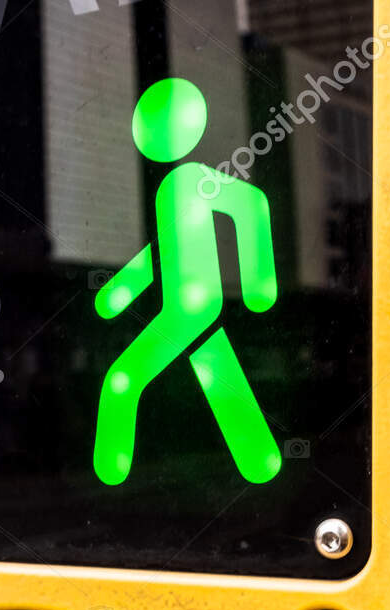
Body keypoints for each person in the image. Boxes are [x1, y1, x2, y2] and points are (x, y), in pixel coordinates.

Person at [93, 78, 283, 487]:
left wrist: (257, 282)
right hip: (188, 308)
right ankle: (260, 460)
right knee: (220, 380)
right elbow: (161, 251)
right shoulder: (172, 187)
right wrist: (118, 292)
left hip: (189, 308)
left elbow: (251, 204)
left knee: (121, 380)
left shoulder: (197, 179)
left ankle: (111, 470)